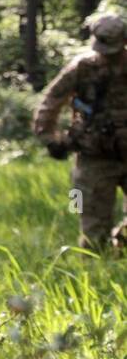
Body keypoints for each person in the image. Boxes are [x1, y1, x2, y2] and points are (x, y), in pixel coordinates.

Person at [33, 13, 127, 250]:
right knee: (92, 225)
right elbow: (51, 101)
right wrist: (49, 138)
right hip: (93, 155)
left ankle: (121, 245)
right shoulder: (81, 68)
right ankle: (96, 274)